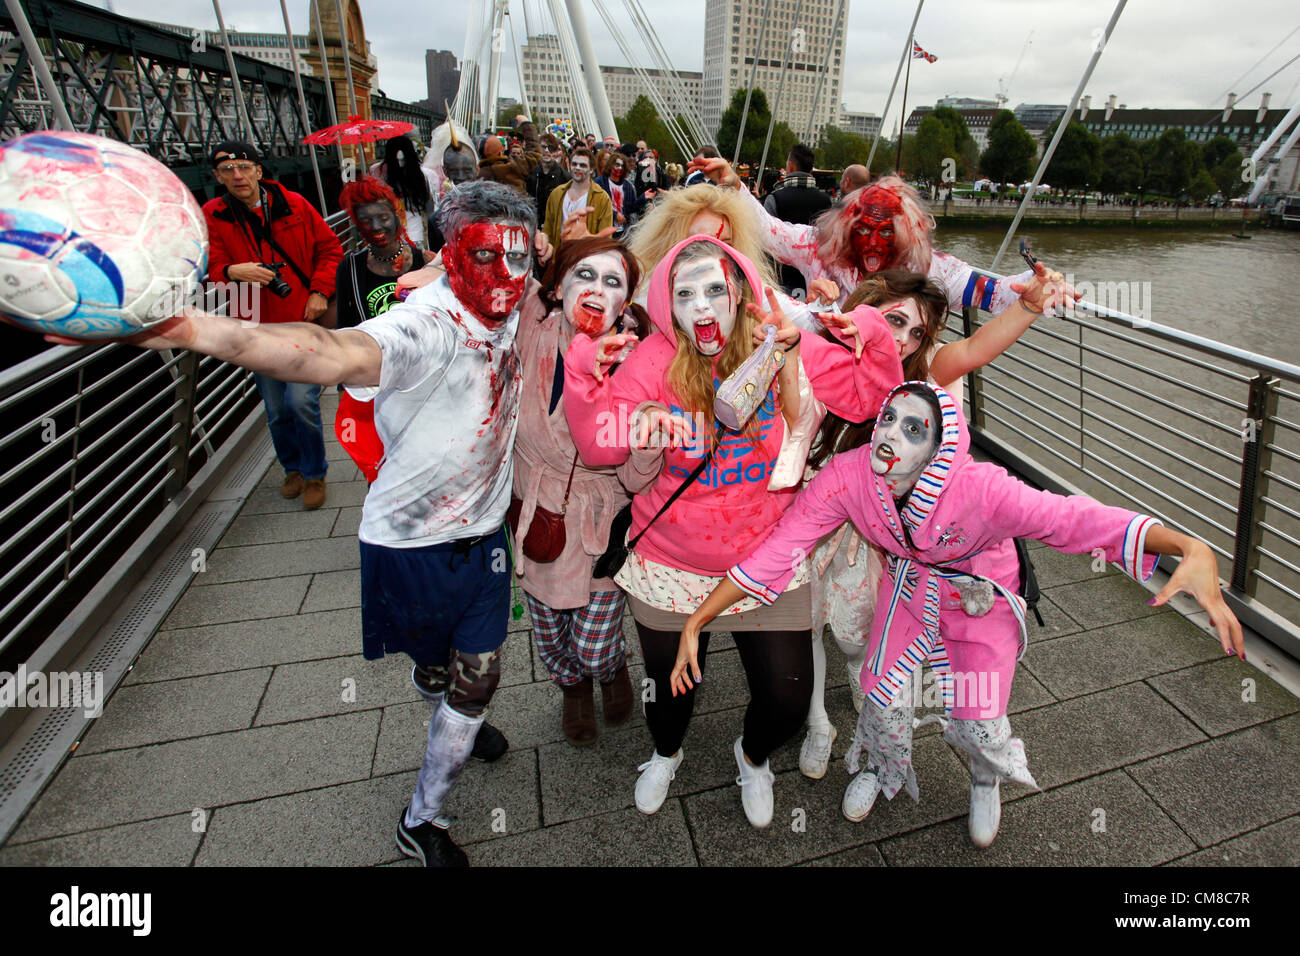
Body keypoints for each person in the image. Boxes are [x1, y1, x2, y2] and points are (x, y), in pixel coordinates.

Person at [54, 181, 538, 866]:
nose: (510, 276)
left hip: (485, 538)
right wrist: (185, 326)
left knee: (480, 674)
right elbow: (321, 351)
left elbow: (571, 267)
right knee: (437, 671)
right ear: (455, 253)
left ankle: (422, 816)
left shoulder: (516, 297)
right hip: (410, 544)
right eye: (489, 257)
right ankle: (443, 693)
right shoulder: (423, 323)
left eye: (523, 259)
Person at [684, 378, 1243, 847]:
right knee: (879, 690)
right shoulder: (849, 477)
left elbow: (1074, 521)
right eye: (887, 419)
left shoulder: (983, 491)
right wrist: (697, 619)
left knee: (979, 716)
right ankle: (882, 767)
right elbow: (784, 545)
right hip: (911, 586)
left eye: (913, 429)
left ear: (938, 448)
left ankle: (983, 778)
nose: (890, 436)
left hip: (980, 595)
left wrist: (1189, 548)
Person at [562, 234, 904, 828]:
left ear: (741, 292)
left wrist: (867, 330)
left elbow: (871, 395)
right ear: (668, 304)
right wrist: (583, 373)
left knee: (789, 699)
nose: (701, 307)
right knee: (669, 699)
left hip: (766, 557)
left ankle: (751, 756)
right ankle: (666, 754)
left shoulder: (780, 344)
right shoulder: (654, 360)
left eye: (715, 289)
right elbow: (597, 445)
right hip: (670, 561)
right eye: (685, 292)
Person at [791, 263, 1080, 779]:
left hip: (869, 539)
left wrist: (1030, 305)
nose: (901, 339)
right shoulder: (819, 353)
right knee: (805, 627)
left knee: (858, 635)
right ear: (866, 308)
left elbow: (974, 350)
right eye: (894, 321)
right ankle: (817, 722)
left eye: (915, 331)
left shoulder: (915, 383)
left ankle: (869, 687)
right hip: (808, 517)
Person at [512, 237, 651, 745]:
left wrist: (650, 440)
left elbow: (638, 476)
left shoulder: (638, 358)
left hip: (601, 519)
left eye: (612, 282)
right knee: (549, 633)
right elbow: (496, 265)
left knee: (594, 640)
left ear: (625, 301)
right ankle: (571, 688)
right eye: (584, 276)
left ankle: (609, 668)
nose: (596, 289)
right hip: (537, 511)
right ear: (558, 286)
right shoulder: (532, 322)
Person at [691, 157, 1033, 315]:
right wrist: (735, 187)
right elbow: (769, 232)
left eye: (886, 232)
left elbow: (988, 291)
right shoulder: (820, 246)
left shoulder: (925, 266)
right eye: (863, 231)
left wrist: (1037, 287)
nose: (872, 242)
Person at [202, 141, 343, 511]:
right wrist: (233, 271)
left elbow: (330, 250)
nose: (238, 176)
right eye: (228, 170)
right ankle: (291, 468)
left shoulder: (294, 204)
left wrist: (319, 292)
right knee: (276, 407)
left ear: (259, 171)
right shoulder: (213, 214)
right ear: (218, 177)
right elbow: (210, 270)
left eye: (245, 167)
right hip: (255, 327)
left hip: (301, 320)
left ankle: (314, 473)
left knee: (300, 402)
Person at [331, 176, 433, 483]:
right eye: (365, 221)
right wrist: (344, 389)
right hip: (377, 387)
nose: (375, 227)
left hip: (421, 382)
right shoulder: (348, 269)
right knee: (384, 472)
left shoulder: (425, 262)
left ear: (398, 216)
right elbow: (346, 331)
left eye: (383, 218)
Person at [764, 143, 832, 299]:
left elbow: (765, 243)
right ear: (810, 169)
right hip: (814, 282)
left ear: (790, 166)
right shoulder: (826, 202)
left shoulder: (775, 199)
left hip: (781, 280)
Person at [368, 135, 435, 249]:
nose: (400, 163)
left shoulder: (377, 172)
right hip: (413, 233)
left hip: (391, 234)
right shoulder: (421, 175)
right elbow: (430, 208)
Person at [421, 119, 478, 253]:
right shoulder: (436, 221)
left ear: (477, 169)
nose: (460, 176)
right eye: (454, 171)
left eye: (466, 170)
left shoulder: (494, 212)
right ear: (445, 171)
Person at [543, 147, 612, 250]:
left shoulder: (602, 198)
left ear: (591, 169)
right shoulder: (557, 194)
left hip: (586, 256)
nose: (577, 168)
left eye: (583, 165)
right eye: (574, 164)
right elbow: (548, 228)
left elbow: (605, 236)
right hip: (559, 255)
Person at [477, 121, 540, 194]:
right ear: (501, 152)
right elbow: (535, 154)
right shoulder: (513, 167)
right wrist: (527, 124)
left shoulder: (476, 175)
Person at [529, 132, 571, 228]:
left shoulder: (565, 177)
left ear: (555, 151)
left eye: (550, 148)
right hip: (535, 224)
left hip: (555, 225)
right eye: (543, 147)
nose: (547, 151)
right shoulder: (532, 173)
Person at [595, 153, 637, 239]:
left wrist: (643, 198)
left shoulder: (627, 186)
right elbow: (597, 204)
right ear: (610, 165)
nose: (620, 168)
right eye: (617, 165)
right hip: (605, 228)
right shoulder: (600, 182)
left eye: (622, 166)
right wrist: (614, 214)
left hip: (623, 231)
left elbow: (632, 207)